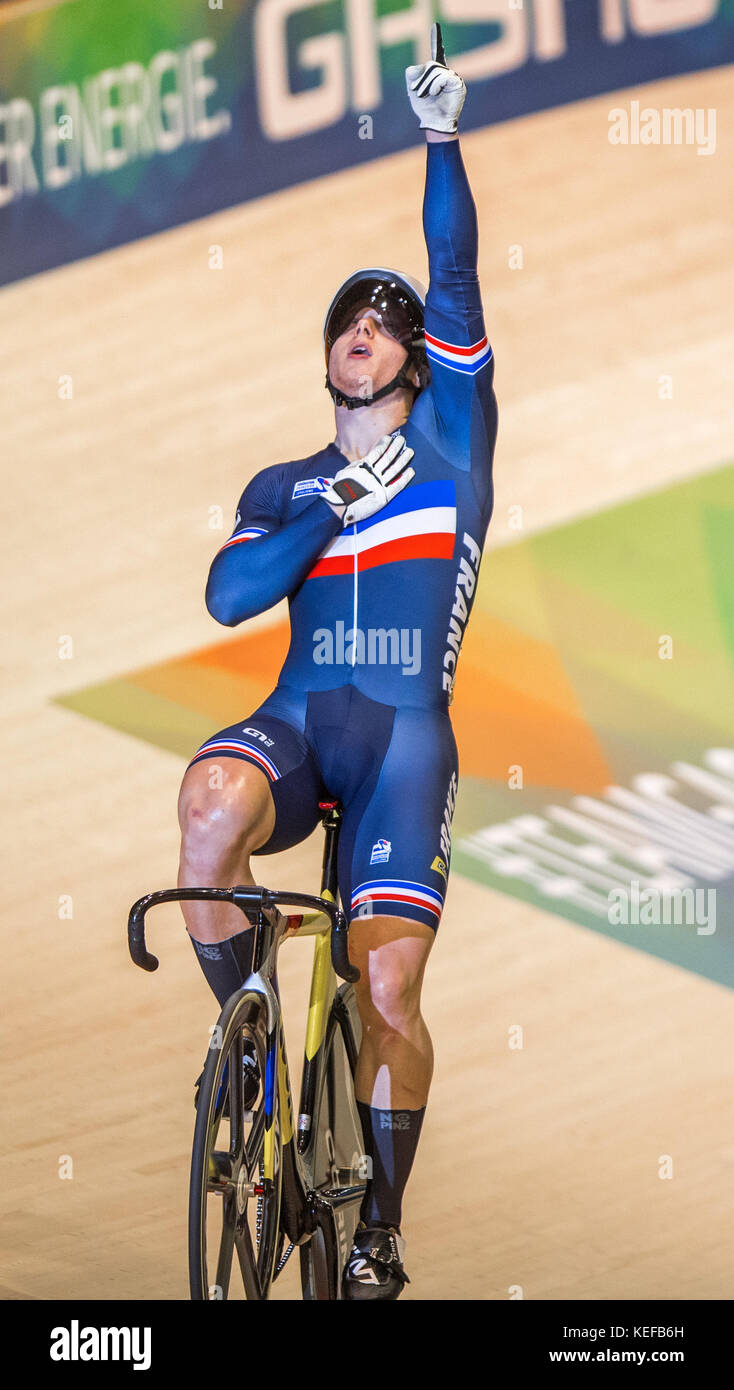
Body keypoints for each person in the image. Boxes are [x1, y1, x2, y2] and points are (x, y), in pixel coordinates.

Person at [177, 26, 497, 1300]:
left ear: (417, 361)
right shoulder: (289, 480)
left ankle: (380, 1227)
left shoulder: (456, 451)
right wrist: (330, 506)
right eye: (346, 321)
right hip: (302, 720)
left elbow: (454, 272)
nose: (362, 331)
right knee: (205, 813)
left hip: (404, 747)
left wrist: (438, 136)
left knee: (386, 986)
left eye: (385, 323)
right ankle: (247, 1042)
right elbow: (226, 593)